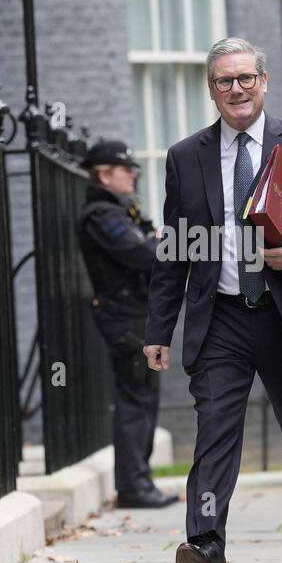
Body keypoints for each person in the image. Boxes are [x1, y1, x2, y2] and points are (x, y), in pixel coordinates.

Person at [143, 37, 282, 563]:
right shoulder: (186, 156)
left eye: (245, 78)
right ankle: (207, 544)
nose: (235, 89)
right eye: (223, 81)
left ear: (263, 82)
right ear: (211, 91)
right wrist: (158, 328)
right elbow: (176, 247)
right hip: (222, 318)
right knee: (214, 431)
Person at [77, 139, 178, 509]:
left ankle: (140, 481)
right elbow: (144, 253)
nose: (133, 174)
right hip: (125, 318)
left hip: (136, 315)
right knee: (136, 398)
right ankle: (134, 487)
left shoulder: (121, 209)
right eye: (125, 169)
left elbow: (153, 241)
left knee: (144, 397)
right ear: (104, 174)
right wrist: (157, 243)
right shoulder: (103, 216)